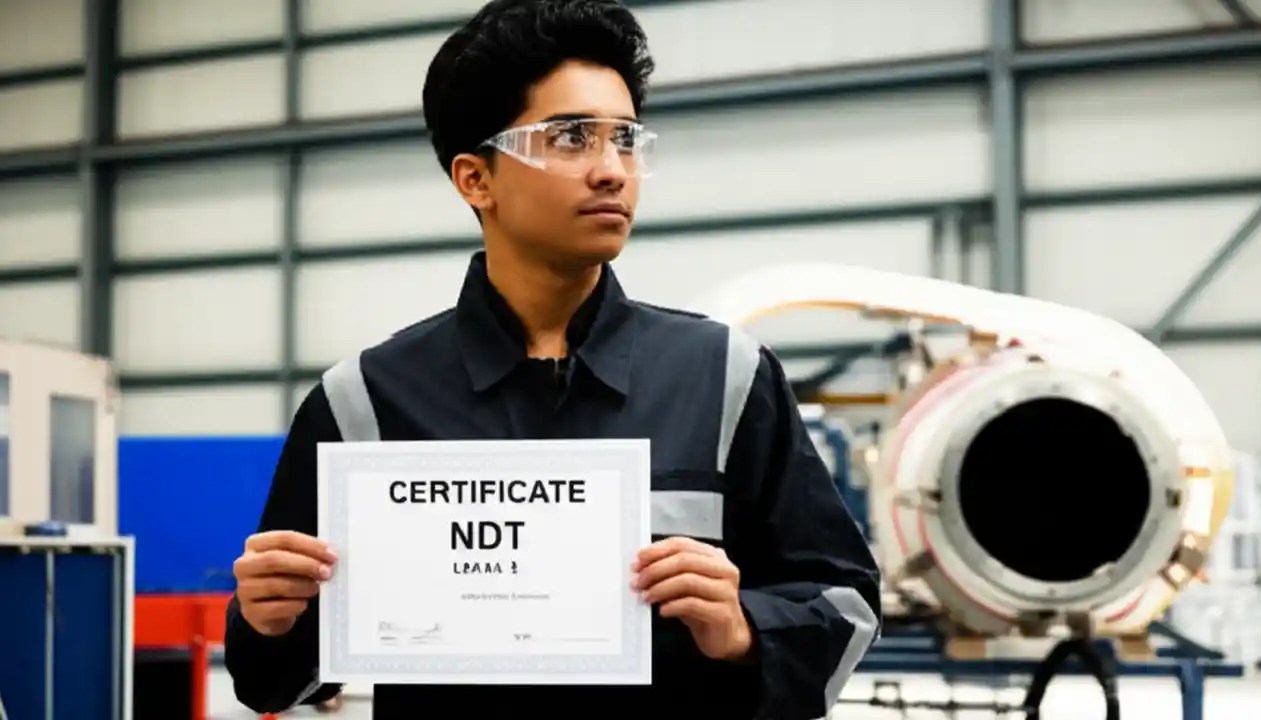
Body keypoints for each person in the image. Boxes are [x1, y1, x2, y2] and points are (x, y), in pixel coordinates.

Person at [224, 1, 881, 718]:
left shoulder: (726, 378)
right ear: (476, 179)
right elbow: (280, 683)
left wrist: (743, 629)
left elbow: (845, 604)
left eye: (625, 140)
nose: (612, 171)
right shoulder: (364, 402)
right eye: (571, 137)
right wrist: (267, 621)